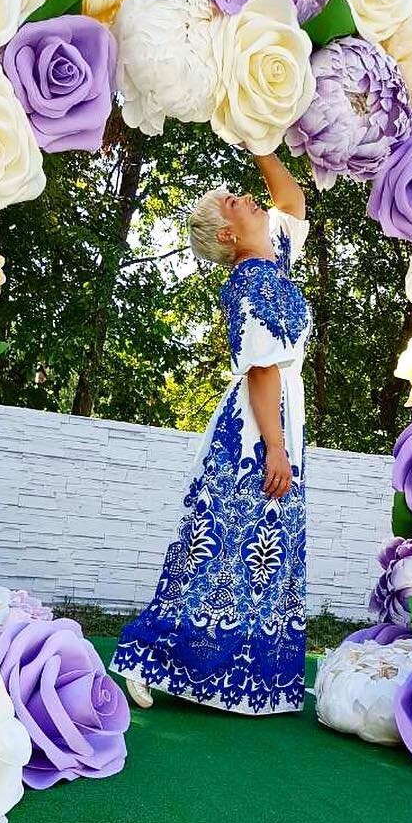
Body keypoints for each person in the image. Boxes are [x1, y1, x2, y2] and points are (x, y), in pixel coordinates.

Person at [112, 151, 312, 715]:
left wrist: (261, 144)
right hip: (256, 431)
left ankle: (235, 677)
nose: (247, 197)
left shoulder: (274, 264)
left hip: (279, 420)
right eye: (233, 202)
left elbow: (291, 203)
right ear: (229, 232)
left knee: (258, 550)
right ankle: (147, 657)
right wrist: (275, 447)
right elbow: (262, 369)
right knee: (221, 549)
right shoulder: (251, 283)